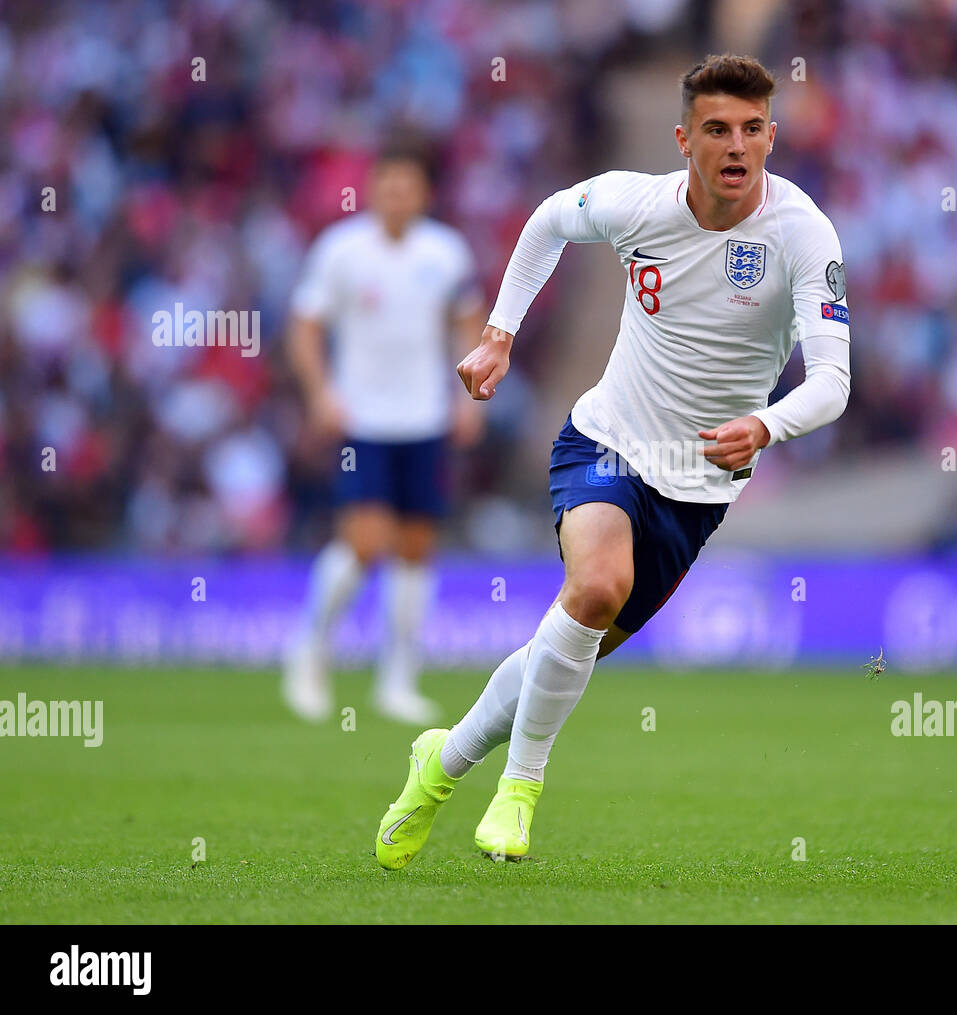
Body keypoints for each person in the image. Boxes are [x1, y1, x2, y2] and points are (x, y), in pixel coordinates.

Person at [374, 54, 852, 867]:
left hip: (699, 489)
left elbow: (835, 381)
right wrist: (499, 331)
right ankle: (520, 790)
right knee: (595, 586)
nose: (736, 147)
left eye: (750, 130)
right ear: (683, 139)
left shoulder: (803, 234)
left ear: (771, 136)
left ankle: (440, 763)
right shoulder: (638, 203)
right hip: (606, 439)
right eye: (716, 130)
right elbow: (551, 219)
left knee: (564, 647)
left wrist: (768, 427)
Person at [283, 144, 483, 725]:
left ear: (424, 194)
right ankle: (310, 650)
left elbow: (467, 318)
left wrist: (467, 398)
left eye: (408, 186)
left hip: (425, 420)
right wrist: (321, 392)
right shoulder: (342, 251)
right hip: (363, 421)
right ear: (373, 190)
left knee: (417, 547)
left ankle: (397, 680)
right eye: (388, 185)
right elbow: (304, 327)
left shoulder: (445, 252)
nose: (397, 196)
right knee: (366, 541)